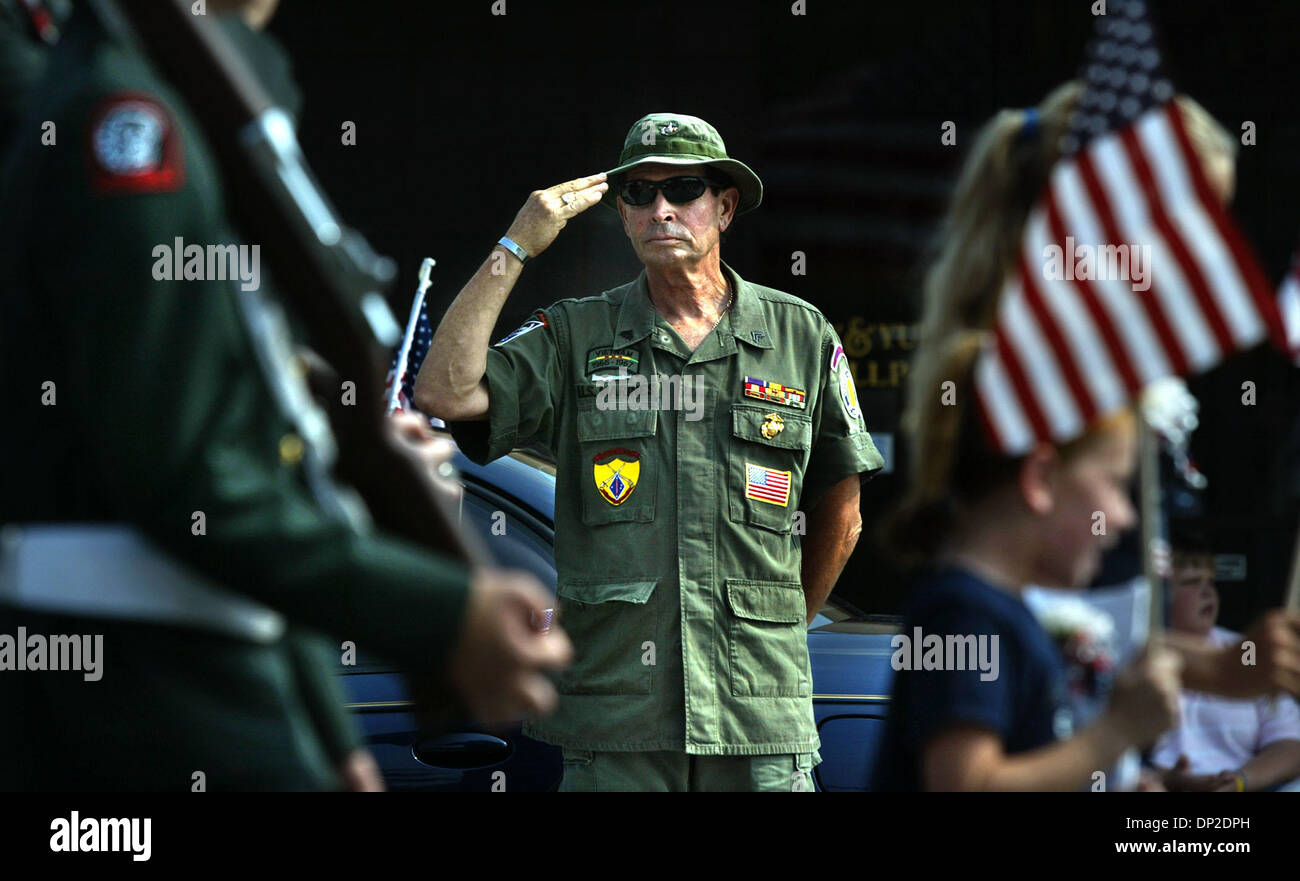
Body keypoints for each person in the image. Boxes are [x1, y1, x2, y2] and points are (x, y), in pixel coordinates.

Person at [0, 0, 570, 791]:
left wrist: (330, 738)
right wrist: (440, 615)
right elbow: (189, 480)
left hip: (219, 692)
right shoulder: (128, 122)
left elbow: (253, 471)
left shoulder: (187, 99)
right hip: (136, 711)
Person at [416, 112, 884, 791]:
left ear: (723, 207)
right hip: (618, 729)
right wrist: (515, 246)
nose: (660, 209)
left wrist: (773, 632)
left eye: (683, 189)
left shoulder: (798, 334)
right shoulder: (578, 334)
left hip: (757, 725)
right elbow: (444, 392)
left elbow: (842, 514)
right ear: (625, 215)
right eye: (638, 194)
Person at [872, 81, 1300, 792]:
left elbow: (1076, 647)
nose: (1199, 265)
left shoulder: (1104, 382)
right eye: (1183, 230)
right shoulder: (1031, 385)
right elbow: (1022, 630)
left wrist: (1210, 674)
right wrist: (1113, 736)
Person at [1149, 531, 1300, 791]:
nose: (1208, 591)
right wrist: (1175, 782)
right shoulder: (1131, 655)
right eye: (1192, 581)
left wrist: (1238, 782)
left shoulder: (1248, 652)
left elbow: (1291, 743)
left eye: (1211, 580)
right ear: (1160, 594)